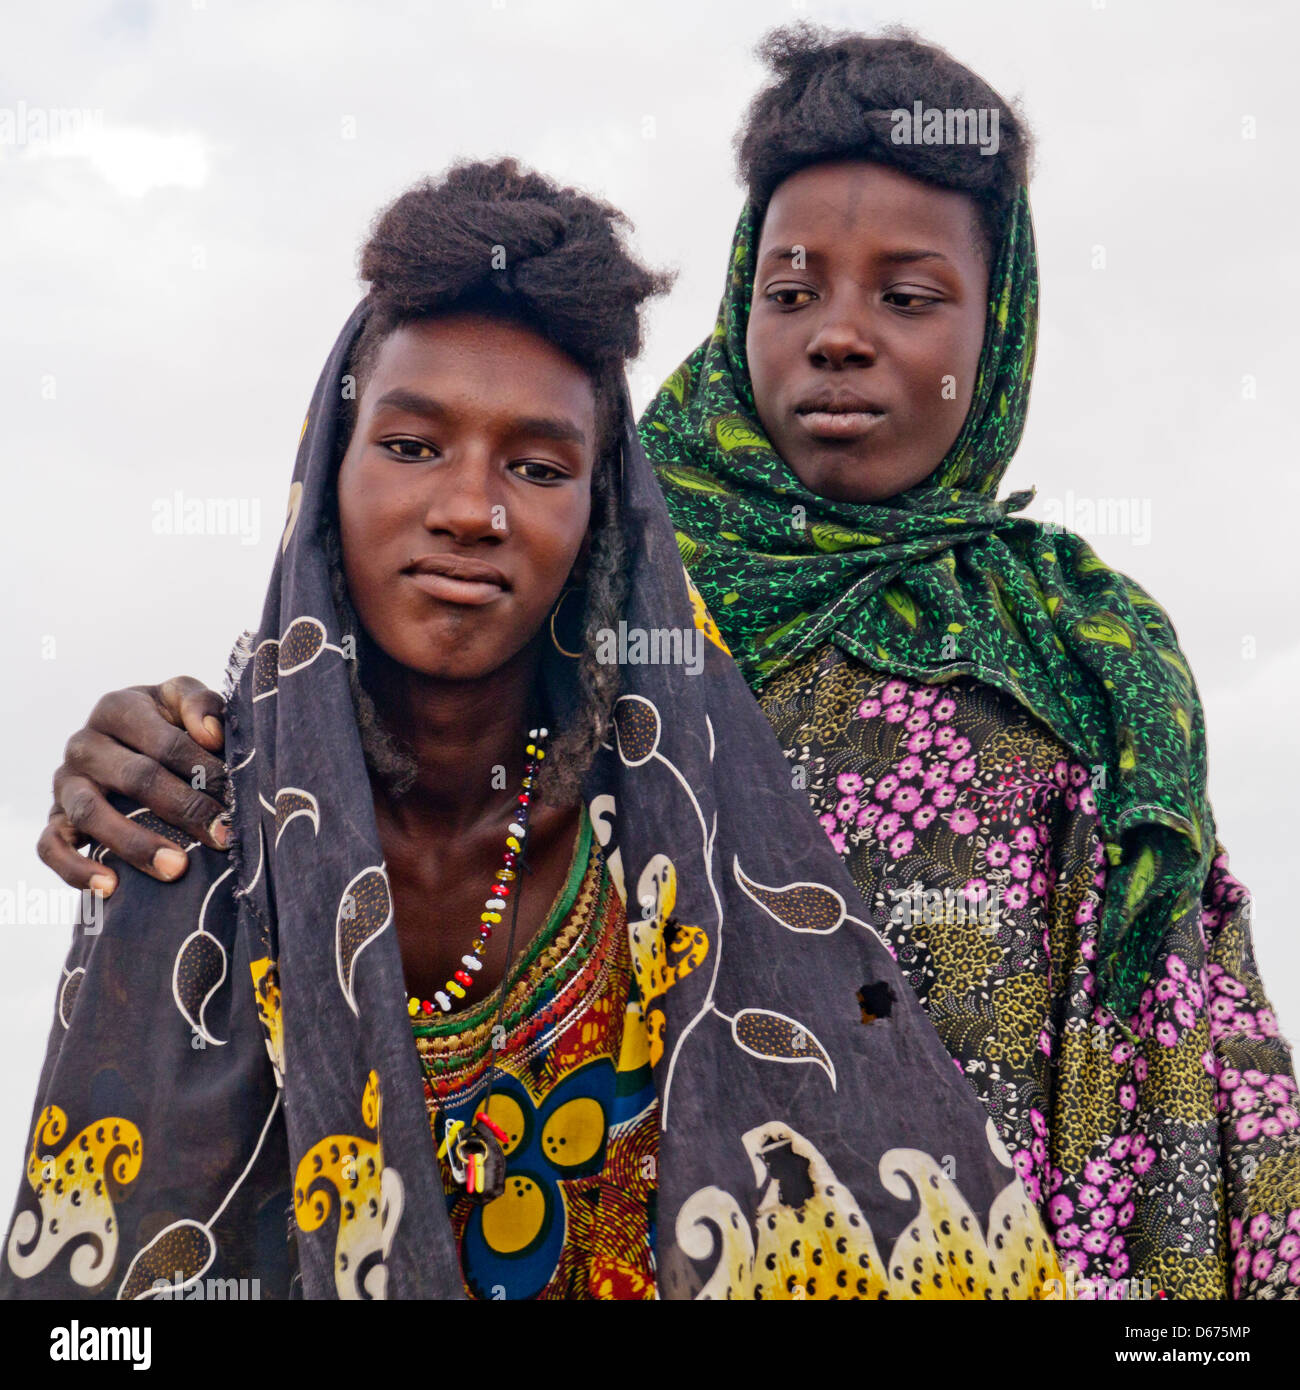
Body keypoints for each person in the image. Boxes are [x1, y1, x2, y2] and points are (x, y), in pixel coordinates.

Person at [39, 24, 1299, 1301]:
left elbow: (1167, 1042)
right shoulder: (611, 583)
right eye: (792, 291)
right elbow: (356, 721)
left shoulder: (1079, 655)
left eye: (907, 299)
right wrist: (160, 739)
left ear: (1005, 317)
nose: (840, 337)